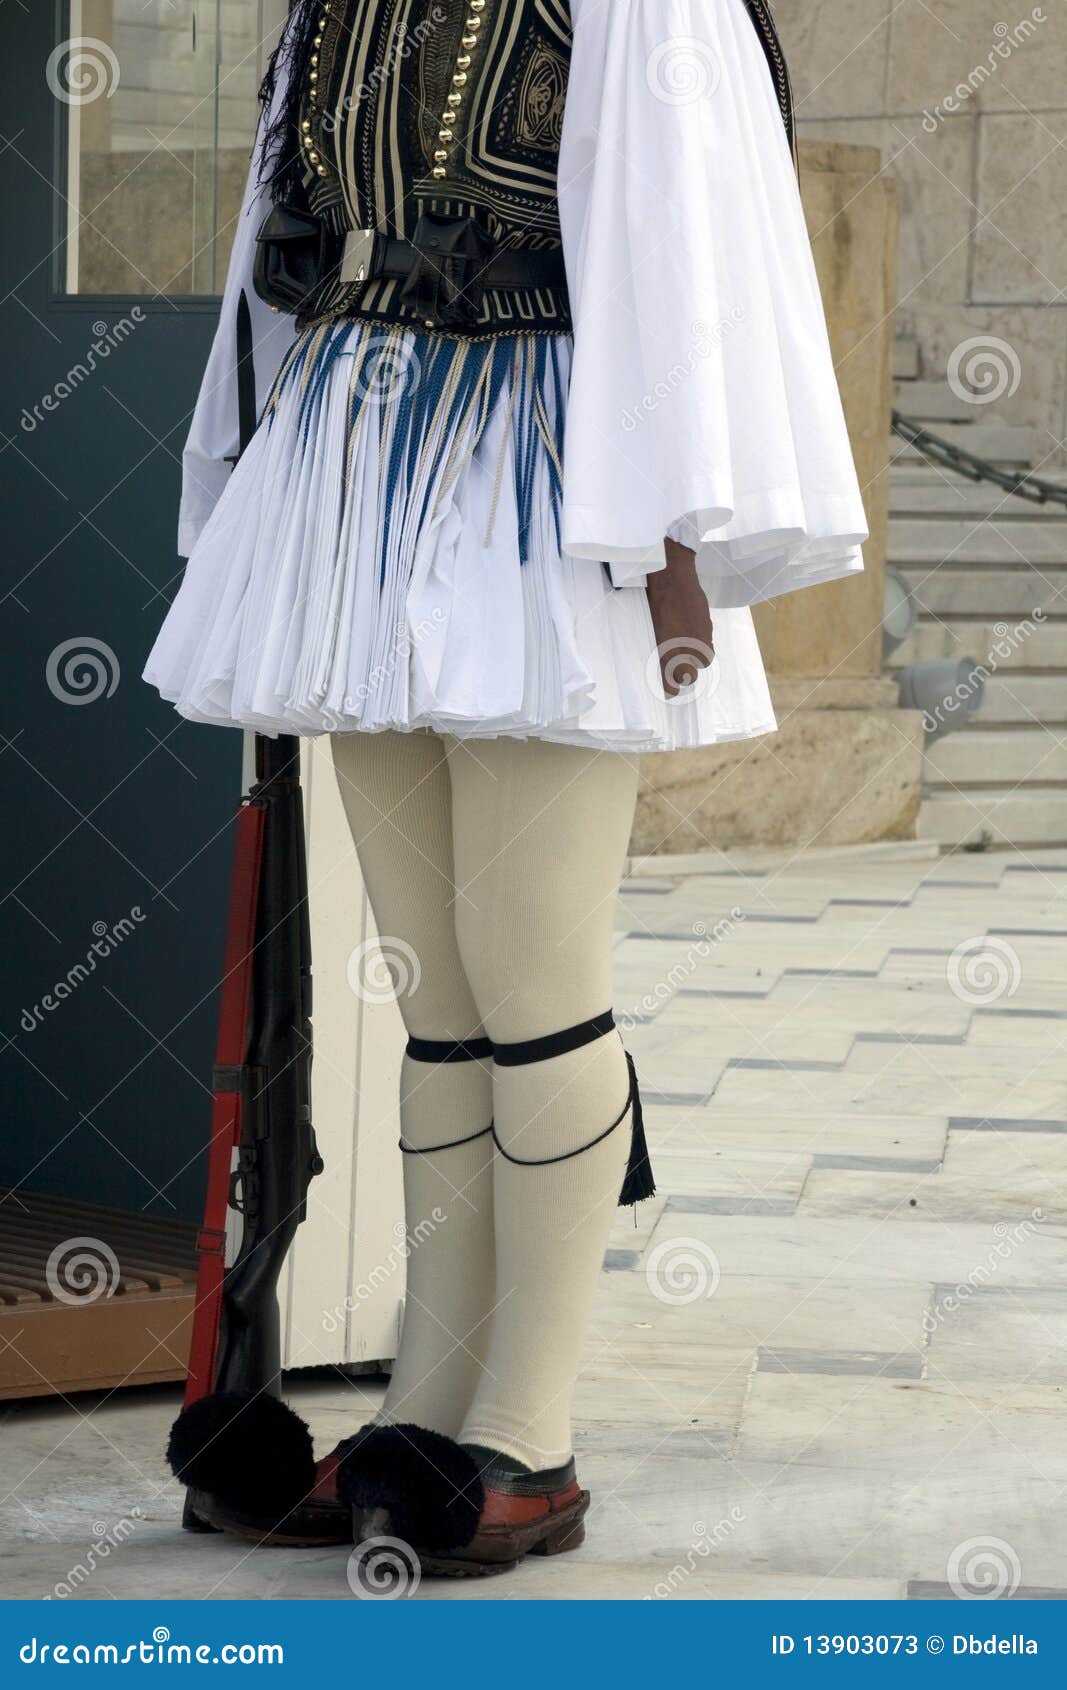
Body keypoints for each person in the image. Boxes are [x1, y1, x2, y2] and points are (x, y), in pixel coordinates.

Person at [155, 0, 867, 1578]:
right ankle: (423, 1408)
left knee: (538, 983)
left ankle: (527, 1432)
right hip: (355, 462)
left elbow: (691, 237)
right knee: (441, 996)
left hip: (545, 471)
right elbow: (276, 246)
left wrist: (679, 531)